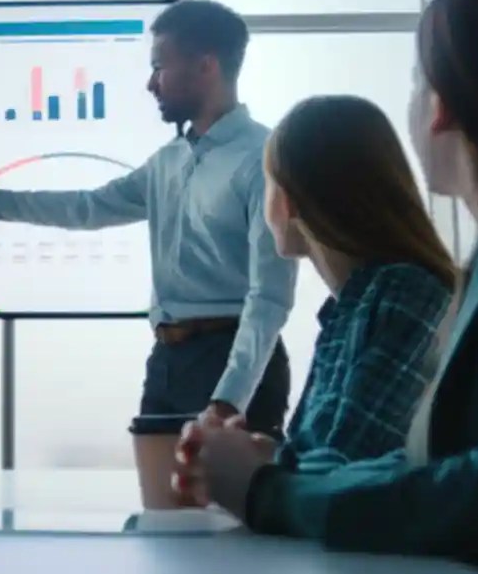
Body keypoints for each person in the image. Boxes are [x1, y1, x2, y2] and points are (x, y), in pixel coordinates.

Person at [175, 0, 478, 574]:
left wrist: (265, 489)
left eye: (415, 82)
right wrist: (263, 468)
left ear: (439, 106)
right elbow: (421, 468)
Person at [0, 0, 298, 434]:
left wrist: (230, 399)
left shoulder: (262, 160)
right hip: (168, 361)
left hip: (232, 365)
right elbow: (87, 208)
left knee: (234, 503)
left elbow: (269, 298)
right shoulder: (167, 162)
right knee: (162, 500)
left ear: (206, 65)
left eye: (159, 67)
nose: (151, 84)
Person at [178, 94, 454, 486]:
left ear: (288, 200)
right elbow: (316, 456)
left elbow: (346, 470)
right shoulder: (348, 309)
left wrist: (251, 467)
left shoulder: (403, 294)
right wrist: (250, 453)